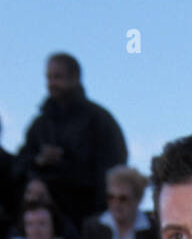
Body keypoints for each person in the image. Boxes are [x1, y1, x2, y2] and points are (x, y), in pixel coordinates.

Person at [17, 54, 127, 229]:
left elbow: (114, 168)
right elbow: (20, 164)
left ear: (74, 77)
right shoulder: (40, 125)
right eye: (49, 77)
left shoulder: (98, 120)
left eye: (58, 77)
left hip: (86, 217)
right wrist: (39, 160)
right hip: (44, 225)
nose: (51, 83)